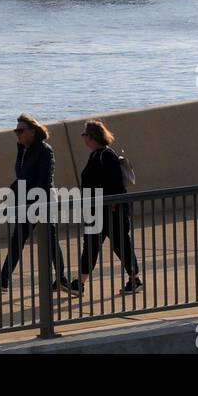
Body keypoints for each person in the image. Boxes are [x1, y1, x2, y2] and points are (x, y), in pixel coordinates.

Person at [0, 114, 67, 292]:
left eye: (20, 131)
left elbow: (45, 179)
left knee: (50, 240)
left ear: (33, 131)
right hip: (27, 202)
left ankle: (61, 278)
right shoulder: (24, 151)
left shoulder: (45, 150)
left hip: (42, 201)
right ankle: (4, 279)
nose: (17, 135)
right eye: (16, 131)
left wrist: (34, 202)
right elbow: (21, 177)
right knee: (17, 240)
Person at [66, 120, 143, 297]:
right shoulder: (95, 155)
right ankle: (80, 283)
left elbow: (116, 185)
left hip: (110, 211)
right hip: (97, 211)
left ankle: (135, 280)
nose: (83, 137)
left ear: (92, 136)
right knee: (92, 246)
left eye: (84, 134)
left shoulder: (106, 155)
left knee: (120, 246)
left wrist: (114, 207)